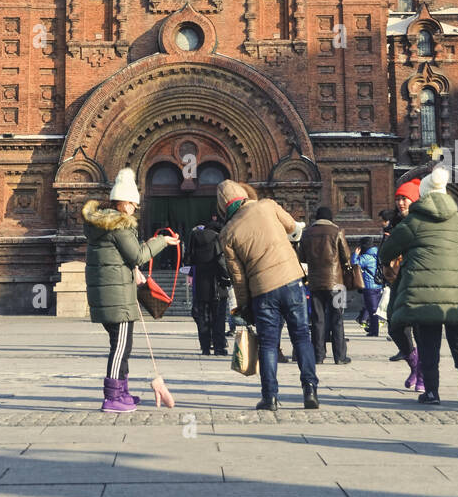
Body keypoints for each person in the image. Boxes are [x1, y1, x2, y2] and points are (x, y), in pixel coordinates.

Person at [83, 168, 178, 412]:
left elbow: (123, 258)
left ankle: (122, 391)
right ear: (124, 204)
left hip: (110, 293)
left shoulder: (102, 226)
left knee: (122, 344)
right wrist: (162, 241)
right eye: (133, 204)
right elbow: (138, 255)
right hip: (117, 297)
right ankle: (113, 396)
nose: (135, 209)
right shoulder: (119, 227)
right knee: (120, 347)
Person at [218, 180, 319, 411]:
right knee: (302, 336)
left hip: (262, 291)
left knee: (268, 344)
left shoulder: (227, 233)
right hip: (291, 280)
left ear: (223, 206)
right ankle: (310, 390)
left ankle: (270, 397)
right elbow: (293, 226)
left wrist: (244, 306)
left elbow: (238, 277)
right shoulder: (267, 205)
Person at [379, 165, 458, 403]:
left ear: (422, 195)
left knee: (429, 341)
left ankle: (432, 392)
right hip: (456, 291)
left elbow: (386, 252)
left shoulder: (413, 222)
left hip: (423, 291)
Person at [298, 205, 353, 365]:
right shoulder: (337, 232)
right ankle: (340, 356)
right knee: (337, 319)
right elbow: (346, 256)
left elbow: (302, 257)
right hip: (337, 284)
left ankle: (318, 355)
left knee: (317, 319)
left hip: (315, 284)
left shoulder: (307, 234)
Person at [384, 178, 423, 386]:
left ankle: (422, 374)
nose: (400, 203)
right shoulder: (396, 222)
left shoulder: (421, 223)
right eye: (398, 198)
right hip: (399, 281)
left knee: (419, 328)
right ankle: (415, 364)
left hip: (418, 281)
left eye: (405, 198)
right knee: (395, 326)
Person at [186, 214, 230, 356]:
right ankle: (219, 347)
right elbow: (220, 261)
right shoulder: (217, 239)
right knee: (218, 318)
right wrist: (226, 278)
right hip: (217, 286)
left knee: (203, 317)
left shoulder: (195, 238)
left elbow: (189, 260)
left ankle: (205, 347)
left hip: (201, 285)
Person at [356, 236, 382, 337]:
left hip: (369, 286)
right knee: (374, 309)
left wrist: (355, 255)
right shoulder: (377, 254)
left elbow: (355, 264)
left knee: (372, 310)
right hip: (378, 285)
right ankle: (371, 327)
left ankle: (374, 331)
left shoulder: (366, 257)